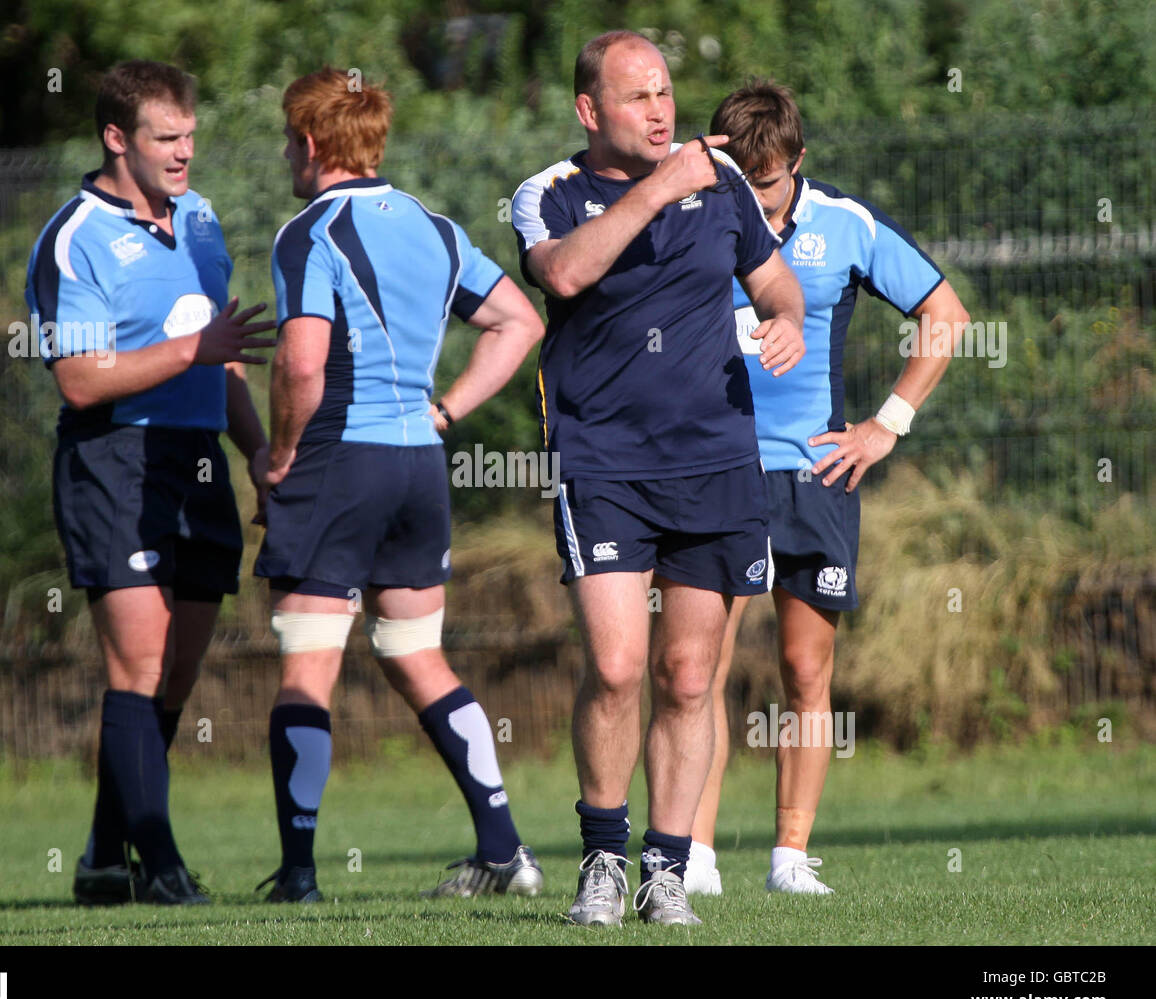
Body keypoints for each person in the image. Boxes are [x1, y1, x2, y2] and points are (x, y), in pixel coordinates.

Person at [510, 32, 806, 926]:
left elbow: (778, 287)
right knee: (615, 663)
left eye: (666, 92)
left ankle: (666, 870)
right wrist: (657, 189)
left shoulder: (723, 188)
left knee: (686, 676)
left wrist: (785, 321)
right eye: (638, 96)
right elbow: (562, 273)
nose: (661, 110)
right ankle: (602, 854)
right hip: (603, 460)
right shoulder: (549, 194)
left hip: (715, 461)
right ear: (589, 111)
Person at [252, 68, 546, 903]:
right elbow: (519, 321)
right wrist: (445, 411)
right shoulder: (434, 226)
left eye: (287, 140)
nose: (286, 154)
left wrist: (278, 457)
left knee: (309, 668)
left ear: (309, 145)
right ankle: (504, 850)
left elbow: (301, 362)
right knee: (414, 654)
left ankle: (300, 875)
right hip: (419, 463)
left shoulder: (308, 232)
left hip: (340, 460)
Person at [683, 79, 969, 896]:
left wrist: (887, 425)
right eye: (736, 177)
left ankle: (789, 858)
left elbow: (945, 315)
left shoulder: (847, 226)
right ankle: (692, 856)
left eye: (765, 181)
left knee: (807, 671)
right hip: (714, 472)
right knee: (696, 669)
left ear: (797, 163)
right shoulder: (687, 216)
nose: (752, 197)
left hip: (816, 477)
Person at [25, 59, 276, 905]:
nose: (183, 155)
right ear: (115, 137)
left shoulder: (200, 219)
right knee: (135, 663)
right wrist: (191, 353)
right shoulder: (75, 235)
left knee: (173, 673)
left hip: (198, 453)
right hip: (115, 459)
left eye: (190, 137)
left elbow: (223, 351)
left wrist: (261, 457)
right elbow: (81, 378)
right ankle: (161, 865)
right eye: (166, 139)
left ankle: (104, 854)